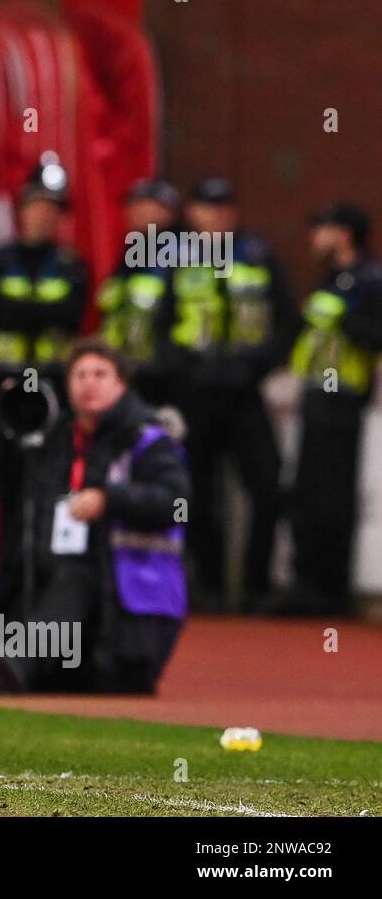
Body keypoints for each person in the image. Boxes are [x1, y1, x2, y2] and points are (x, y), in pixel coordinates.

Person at [0, 339, 189, 693]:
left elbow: (175, 502)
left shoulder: (148, 439)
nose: (89, 382)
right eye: (79, 374)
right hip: (51, 612)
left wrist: (109, 499)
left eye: (100, 373)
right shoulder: (54, 440)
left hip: (121, 625)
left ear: (122, 384)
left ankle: (19, 662)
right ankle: (2, 664)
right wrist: (6, 417)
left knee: (75, 577)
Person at [166, 177, 295, 611]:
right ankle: (208, 587)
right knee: (197, 492)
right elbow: (161, 327)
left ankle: (257, 587)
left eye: (225, 207)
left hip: (244, 393)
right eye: (207, 207)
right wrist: (187, 368)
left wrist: (256, 365)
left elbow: (287, 321)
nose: (217, 215)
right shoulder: (172, 259)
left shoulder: (259, 257)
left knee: (267, 483)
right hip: (196, 394)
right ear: (192, 213)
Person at [285, 204, 382, 615]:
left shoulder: (369, 280)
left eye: (321, 230)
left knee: (333, 498)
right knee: (307, 493)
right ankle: (304, 586)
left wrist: (344, 317)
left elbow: (374, 337)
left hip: (343, 399)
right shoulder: (330, 279)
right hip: (314, 396)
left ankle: (330, 592)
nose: (314, 239)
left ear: (343, 235)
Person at [0, 156, 87, 393]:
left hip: (55, 377)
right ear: (22, 209)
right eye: (38, 206)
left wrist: (19, 311)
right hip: (3, 376)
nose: (44, 215)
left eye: (52, 209)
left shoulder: (73, 265)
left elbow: (72, 315)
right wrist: (46, 313)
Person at [96, 177, 180, 405]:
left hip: (165, 378)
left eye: (142, 204)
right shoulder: (131, 254)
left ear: (166, 211)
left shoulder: (181, 257)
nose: (133, 212)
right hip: (127, 371)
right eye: (132, 205)